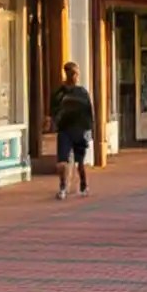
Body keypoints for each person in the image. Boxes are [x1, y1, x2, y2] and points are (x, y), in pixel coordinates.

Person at [49, 62, 94, 200]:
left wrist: (89, 131)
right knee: (62, 163)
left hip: (80, 131)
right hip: (65, 131)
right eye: (72, 73)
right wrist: (53, 122)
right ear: (66, 73)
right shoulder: (59, 93)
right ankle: (63, 187)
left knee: (80, 163)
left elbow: (89, 113)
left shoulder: (82, 92)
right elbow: (53, 111)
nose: (75, 76)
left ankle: (83, 184)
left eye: (76, 73)